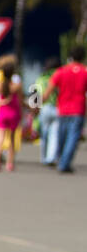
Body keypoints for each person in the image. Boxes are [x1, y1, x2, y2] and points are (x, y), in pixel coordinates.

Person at [46, 45, 87, 174]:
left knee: (62, 137)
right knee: (73, 138)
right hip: (78, 109)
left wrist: (38, 104)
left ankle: (61, 160)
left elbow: (49, 90)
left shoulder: (61, 71)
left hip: (62, 109)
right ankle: (64, 163)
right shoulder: (85, 72)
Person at [0, 55, 22, 171]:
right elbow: (20, 100)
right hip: (13, 112)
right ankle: (9, 163)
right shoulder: (16, 82)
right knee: (11, 138)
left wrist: (0, 102)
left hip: (0, 111)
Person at [32, 57, 61, 166]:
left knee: (44, 134)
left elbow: (35, 95)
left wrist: (35, 109)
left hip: (44, 108)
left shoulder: (41, 78)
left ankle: (44, 157)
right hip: (58, 107)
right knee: (54, 134)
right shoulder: (60, 76)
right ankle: (51, 157)